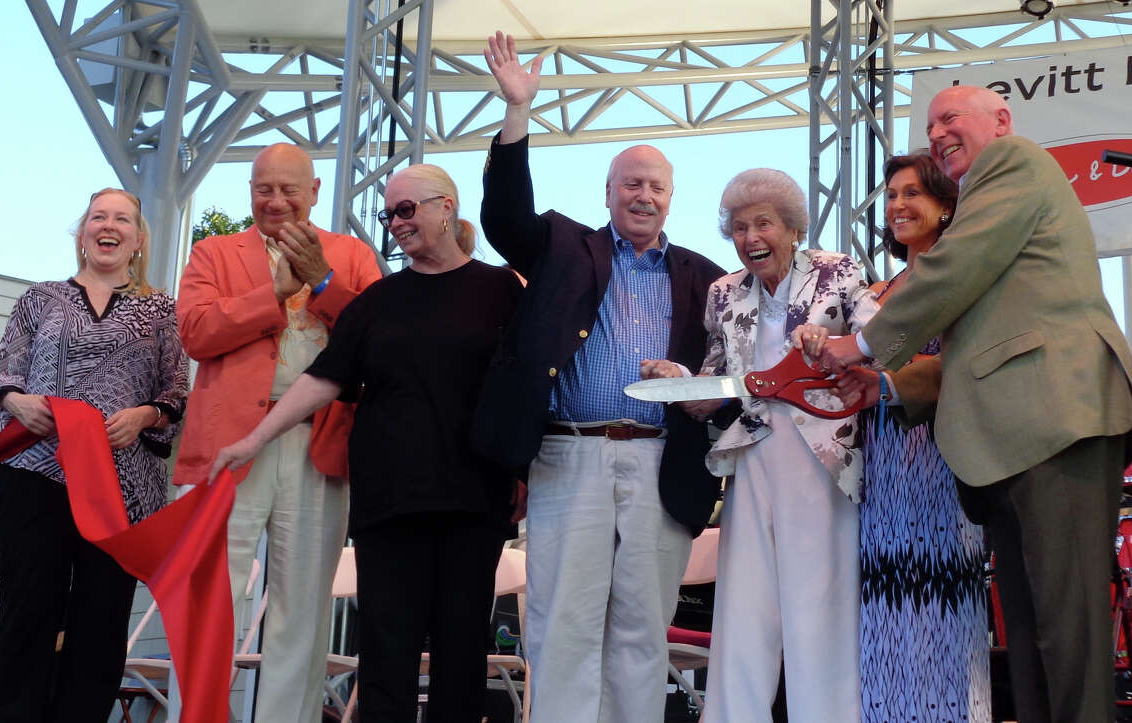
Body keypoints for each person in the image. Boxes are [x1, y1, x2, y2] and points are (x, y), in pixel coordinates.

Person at [816, 85, 1132, 723]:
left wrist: (860, 346)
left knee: (1067, 634)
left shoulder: (1013, 162)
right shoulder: (982, 204)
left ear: (1001, 121)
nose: (937, 131)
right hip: (1011, 441)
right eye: (930, 121)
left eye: (950, 118)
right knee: (1030, 638)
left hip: (1058, 421)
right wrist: (886, 384)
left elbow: (954, 268)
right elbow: (969, 352)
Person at [210, 163, 522, 722]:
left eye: (407, 210)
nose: (397, 225)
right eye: (388, 215)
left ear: (446, 207)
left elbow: (531, 380)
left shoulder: (501, 288)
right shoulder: (379, 300)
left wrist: (527, 467)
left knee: (461, 652)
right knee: (384, 654)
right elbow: (325, 376)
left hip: (473, 500)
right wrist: (252, 439)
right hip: (388, 503)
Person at [474, 31, 725, 723]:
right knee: (564, 621)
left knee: (644, 628)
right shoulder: (562, 245)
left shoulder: (705, 277)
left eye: (656, 186)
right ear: (608, 191)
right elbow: (502, 218)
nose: (644, 196)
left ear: (671, 198)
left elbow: (726, 381)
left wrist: (693, 386)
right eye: (631, 184)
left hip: (659, 458)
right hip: (569, 452)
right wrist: (518, 113)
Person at [646, 169, 877, 721]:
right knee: (744, 610)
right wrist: (676, 378)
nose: (751, 238)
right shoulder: (724, 292)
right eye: (740, 228)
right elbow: (716, 384)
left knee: (819, 608)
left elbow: (880, 336)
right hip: (752, 456)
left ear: (792, 227)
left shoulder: (836, 272)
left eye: (764, 224)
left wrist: (839, 344)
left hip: (824, 459)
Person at [175, 143, 383, 723]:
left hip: (320, 442)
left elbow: (379, 339)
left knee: (304, 606)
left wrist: (321, 282)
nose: (275, 200)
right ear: (249, 191)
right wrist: (271, 294)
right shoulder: (214, 253)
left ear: (315, 192)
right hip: (230, 445)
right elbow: (195, 332)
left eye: (289, 189)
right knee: (209, 597)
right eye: (263, 188)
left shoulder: (351, 254)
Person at [0, 188, 188, 722]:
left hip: (121, 489)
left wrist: (144, 416)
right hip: (36, 476)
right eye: (98, 217)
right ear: (82, 232)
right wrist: (20, 402)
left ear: (138, 240)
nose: (107, 226)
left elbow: (176, 392)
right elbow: (3, 375)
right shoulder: (39, 298)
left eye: (122, 219)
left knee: (101, 619)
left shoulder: (162, 309)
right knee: (27, 613)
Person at [802, 152, 990, 722]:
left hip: (938, 456)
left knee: (940, 607)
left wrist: (881, 382)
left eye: (915, 194)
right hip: (878, 464)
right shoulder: (875, 290)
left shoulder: (964, 279)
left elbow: (959, 367)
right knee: (883, 610)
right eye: (892, 195)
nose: (899, 205)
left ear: (947, 208)